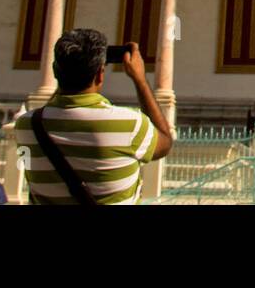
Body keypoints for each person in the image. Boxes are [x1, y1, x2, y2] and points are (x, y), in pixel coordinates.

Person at [14, 29, 173, 204]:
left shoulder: (26, 126)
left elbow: (50, 109)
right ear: (100, 74)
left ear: (55, 71)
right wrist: (140, 79)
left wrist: (66, 75)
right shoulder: (129, 125)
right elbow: (165, 142)